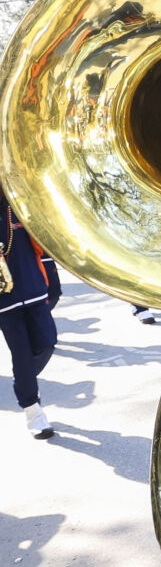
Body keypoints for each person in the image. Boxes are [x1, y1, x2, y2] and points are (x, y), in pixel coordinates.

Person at [0, 183, 58, 439]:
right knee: (21, 354)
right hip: (5, 301)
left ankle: (24, 379)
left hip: (33, 286)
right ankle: (32, 410)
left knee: (47, 343)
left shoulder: (19, 200)